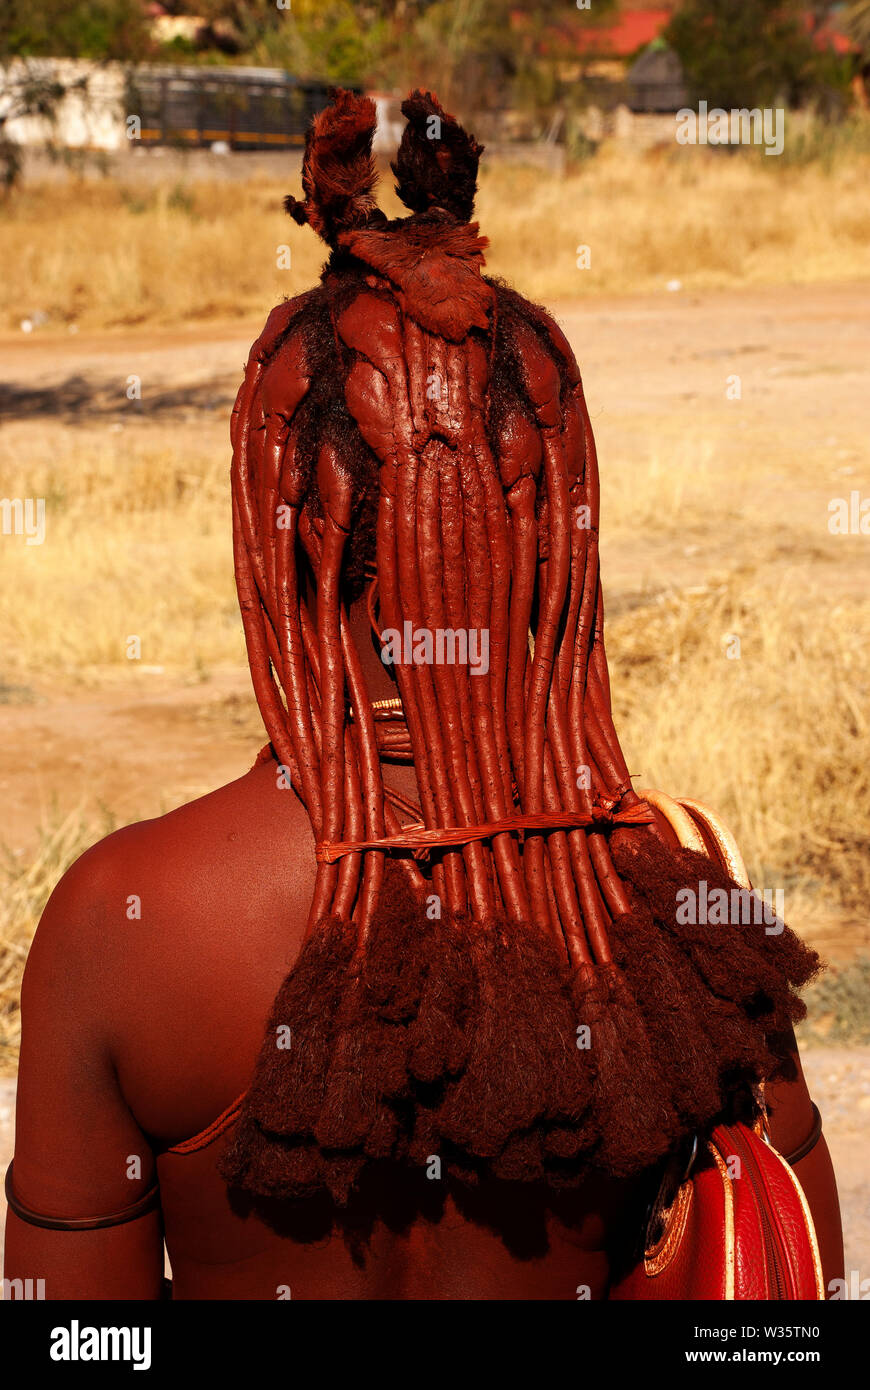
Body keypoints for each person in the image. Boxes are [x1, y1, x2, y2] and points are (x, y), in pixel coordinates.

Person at [4, 90, 843, 1301]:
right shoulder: (675, 902)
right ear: (557, 524)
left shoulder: (121, 921)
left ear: (278, 524)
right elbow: (787, 1297)